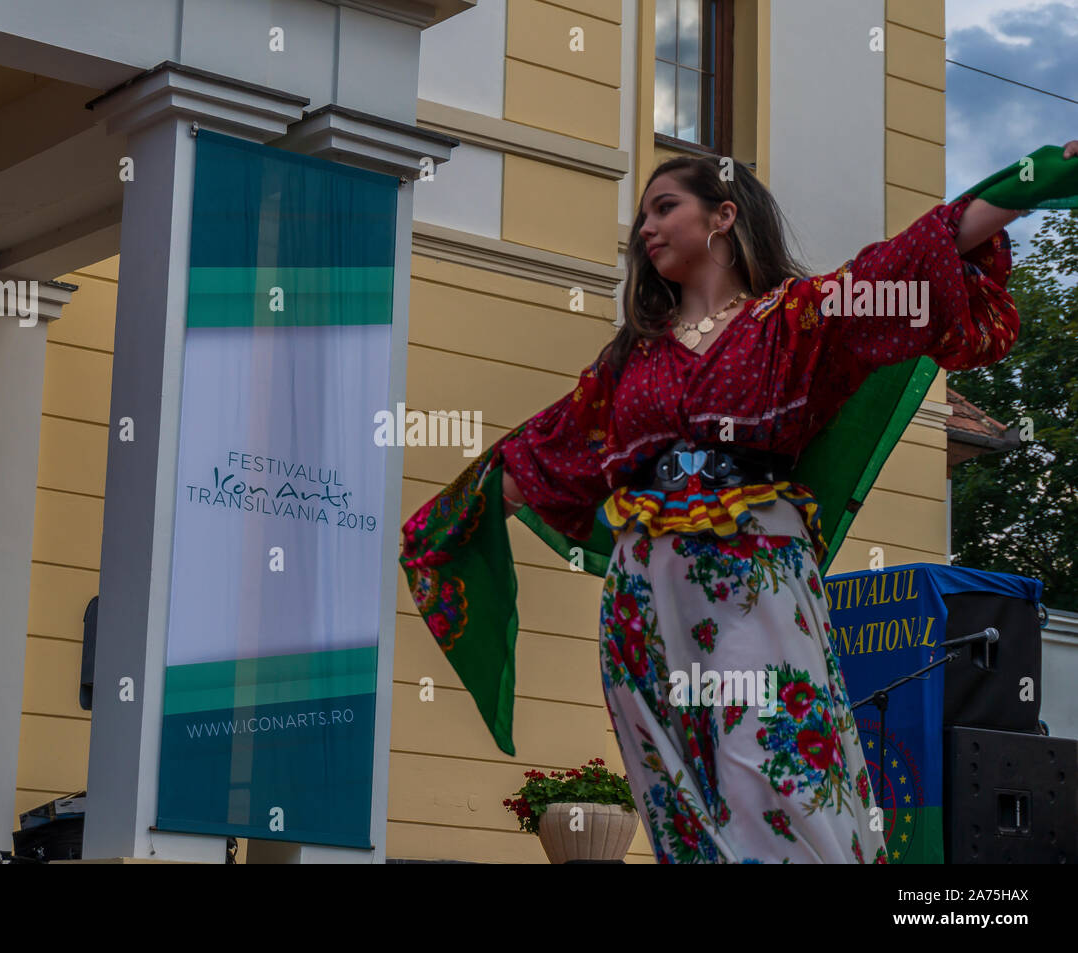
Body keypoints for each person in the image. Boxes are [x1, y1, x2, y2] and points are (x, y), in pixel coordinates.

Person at [401, 142, 1078, 864]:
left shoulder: (797, 321)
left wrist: (1041, 175)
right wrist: (433, 529)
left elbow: (913, 257)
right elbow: (540, 458)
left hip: (754, 578)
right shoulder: (630, 361)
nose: (647, 229)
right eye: (642, 217)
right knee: (676, 789)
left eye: (666, 207)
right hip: (645, 599)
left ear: (724, 214)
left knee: (781, 764)